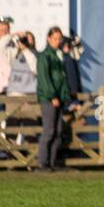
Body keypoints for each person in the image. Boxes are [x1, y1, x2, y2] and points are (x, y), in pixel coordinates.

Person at [35, 27, 71, 172]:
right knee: (49, 131)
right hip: (49, 99)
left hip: (59, 98)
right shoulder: (45, 56)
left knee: (58, 131)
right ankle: (42, 163)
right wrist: (52, 96)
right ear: (48, 39)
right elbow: (44, 79)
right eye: (55, 38)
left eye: (59, 39)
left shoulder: (58, 54)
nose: (58, 41)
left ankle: (52, 161)